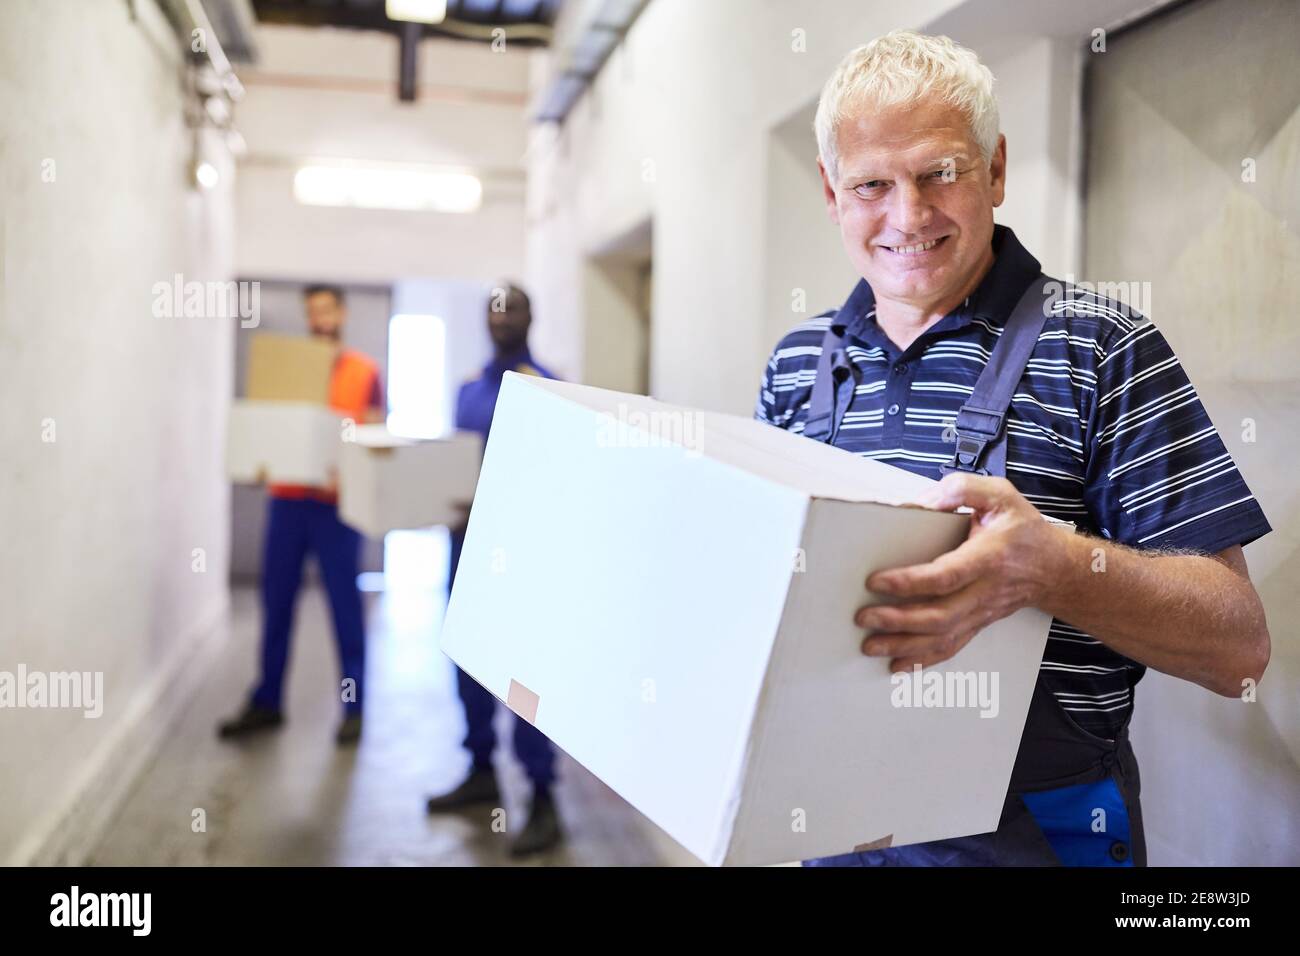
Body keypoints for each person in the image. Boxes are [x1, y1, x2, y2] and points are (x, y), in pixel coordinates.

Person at [756, 31, 1272, 866]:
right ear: (831, 191)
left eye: (941, 173)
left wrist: (1054, 569)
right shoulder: (796, 365)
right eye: (872, 184)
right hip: (832, 821)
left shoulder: (1104, 347)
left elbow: (1238, 648)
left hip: (1038, 833)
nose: (909, 216)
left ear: (995, 170)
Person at [425, 283, 563, 858]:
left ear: (532, 316)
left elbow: (558, 474)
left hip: (524, 552)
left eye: (515, 310)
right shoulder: (468, 391)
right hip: (467, 547)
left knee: (525, 675)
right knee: (469, 661)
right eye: (495, 310)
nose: (503, 319)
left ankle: (543, 796)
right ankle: (480, 768)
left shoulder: (549, 388)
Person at [219, 284, 385, 746]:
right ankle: (267, 700)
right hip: (288, 502)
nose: (319, 318)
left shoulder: (364, 372)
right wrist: (255, 461)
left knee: (345, 611)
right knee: (276, 606)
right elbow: (268, 428)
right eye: (312, 311)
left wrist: (350, 474)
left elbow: (374, 435)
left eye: (327, 309)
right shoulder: (287, 367)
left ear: (343, 313)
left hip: (336, 509)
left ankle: (354, 709)